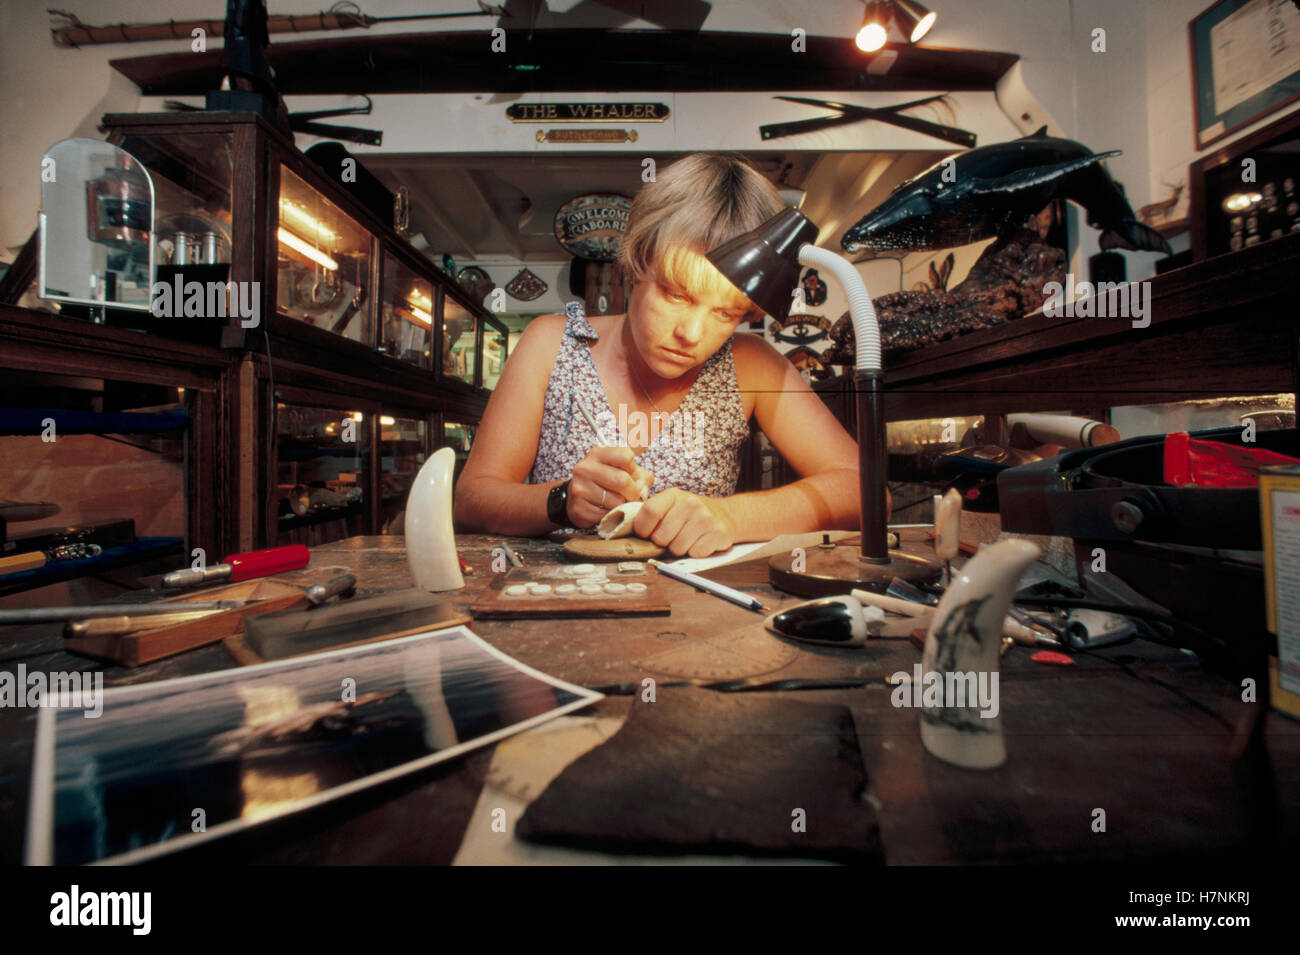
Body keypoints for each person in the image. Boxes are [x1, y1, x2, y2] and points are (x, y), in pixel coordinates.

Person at [454, 153, 870, 558]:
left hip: (694, 613)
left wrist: (731, 516)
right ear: (636, 264)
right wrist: (560, 501)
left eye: (725, 313)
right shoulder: (552, 343)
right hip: (556, 603)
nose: (691, 334)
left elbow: (864, 490)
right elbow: (471, 502)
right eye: (675, 294)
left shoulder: (750, 365)